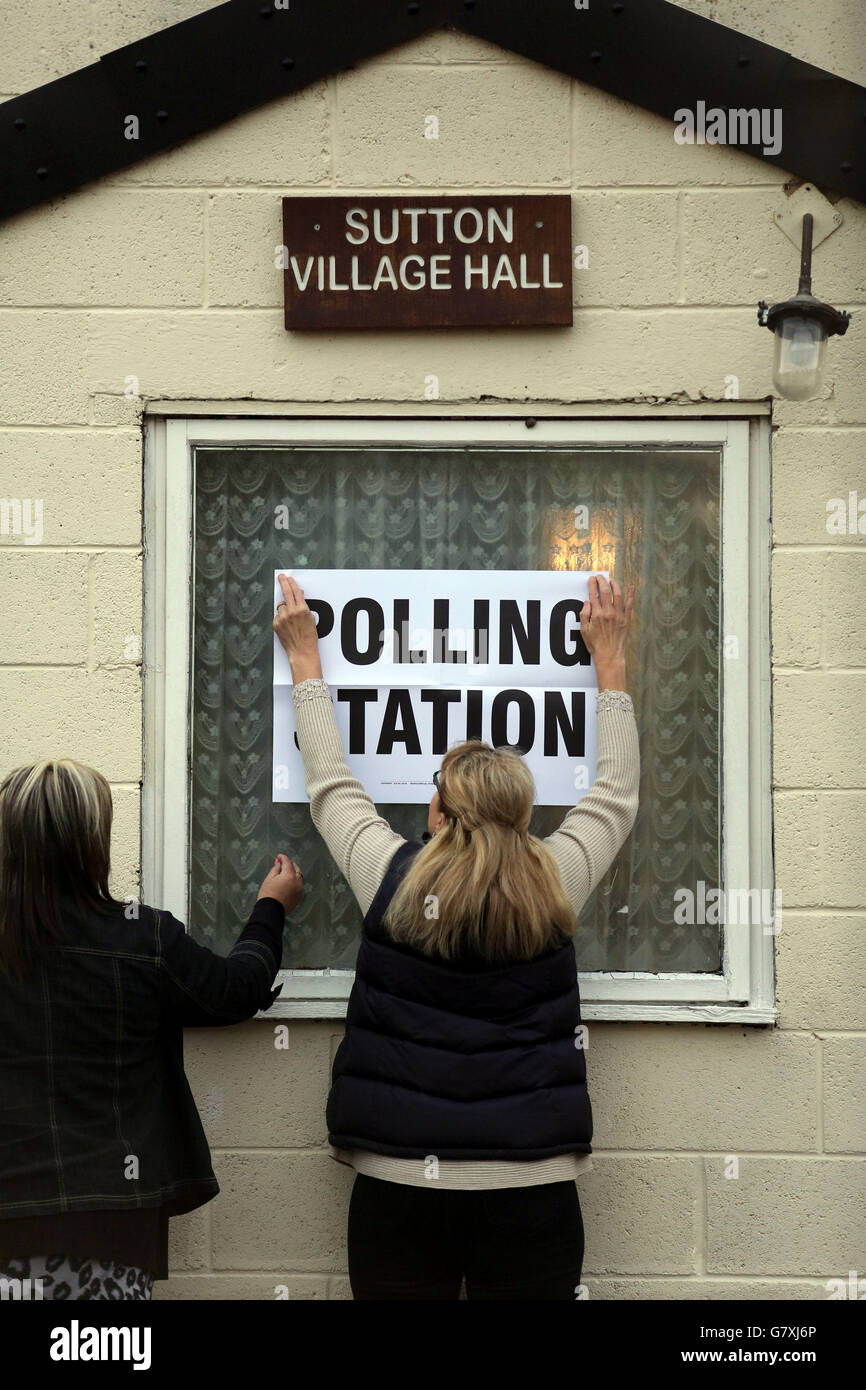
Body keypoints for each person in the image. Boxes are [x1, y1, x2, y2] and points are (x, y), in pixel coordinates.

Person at [273, 570, 639, 1300]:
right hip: (532, 1184)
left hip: (400, 1182)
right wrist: (613, 660)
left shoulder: (390, 874)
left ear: (437, 812)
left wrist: (306, 659)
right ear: (524, 814)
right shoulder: (554, 880)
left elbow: (330, 785)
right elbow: (616, 794)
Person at [0, 759, 302, 1300]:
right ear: (92, 844)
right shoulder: (144, 938)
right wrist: (270, 908)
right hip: (112, 1224)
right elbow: (235, 990)